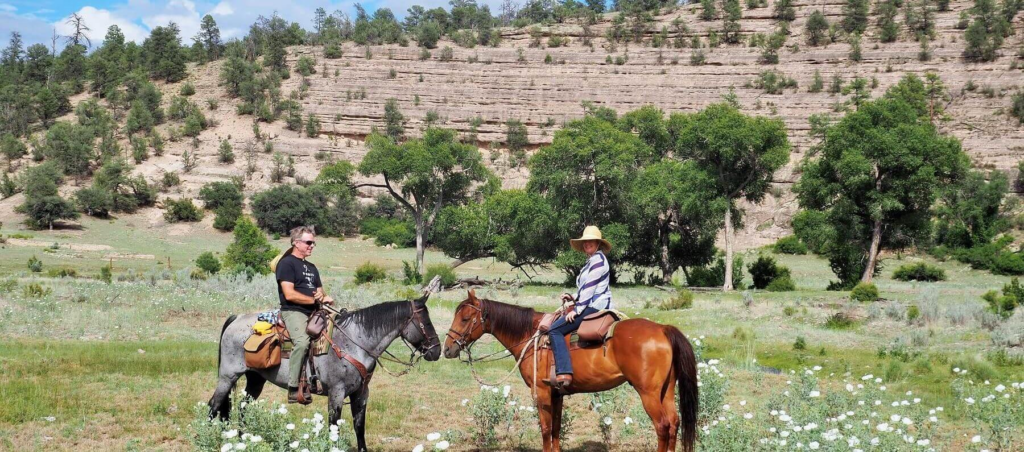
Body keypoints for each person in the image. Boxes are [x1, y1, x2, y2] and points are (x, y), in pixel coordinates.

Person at [544, 225, 613, 391]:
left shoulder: (597, 261)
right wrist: (573, 297)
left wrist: (577, 309)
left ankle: (564, 372)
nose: (587, 244)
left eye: (591, 241)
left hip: (595, 306)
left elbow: (590, 289)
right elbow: (587, 288)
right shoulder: (593, 260)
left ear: (598, 243)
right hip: (591, 302)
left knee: (554, 330)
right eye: (585, 242)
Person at [273, 225, 335, 404]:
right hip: (293, 311)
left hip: (315, 311)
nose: (312, 246)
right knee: (302, 342)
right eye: (309, 242)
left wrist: (325, 298)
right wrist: (314, 300)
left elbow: (320, 293)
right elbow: (289, 294)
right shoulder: (286, 263)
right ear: (296, 243)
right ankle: (293, 387)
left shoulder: (312, 267)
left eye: (313, 243)